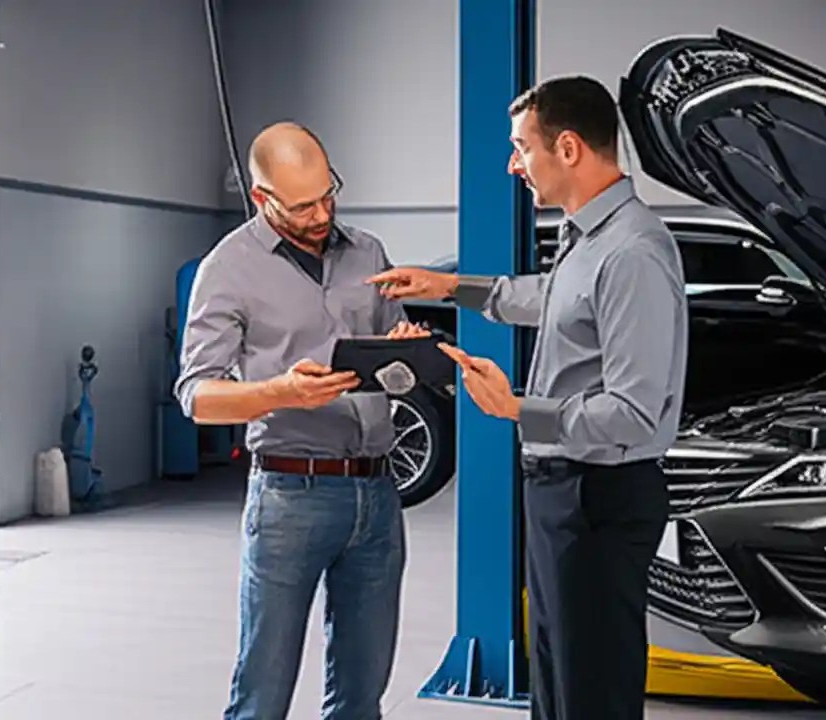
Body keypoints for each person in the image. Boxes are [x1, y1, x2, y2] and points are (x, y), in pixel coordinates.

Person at [368, 76, 686, 720]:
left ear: (567, 148)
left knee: (590, 687)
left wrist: (515, 408)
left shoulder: (632, 252)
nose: (513, 164)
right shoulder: (589, 238)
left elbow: (633, 413)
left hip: (598, 496)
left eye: (522, 147)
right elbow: (549, 299)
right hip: (564, 490)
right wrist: (447, 287)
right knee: (557, 675)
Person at [174, 121, 427, 720]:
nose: (321, 214)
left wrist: (408, 351)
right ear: (262, 198)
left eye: (327, 195)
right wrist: (279, 392)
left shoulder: (367, 252)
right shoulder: (227, 267)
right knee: (263, 692)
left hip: (378, 493)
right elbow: (196, 395)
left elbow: (395, 368)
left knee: (362, 693)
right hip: (290, 495)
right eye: (303, 206)